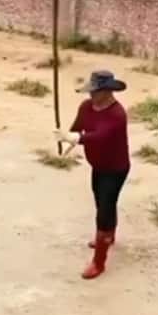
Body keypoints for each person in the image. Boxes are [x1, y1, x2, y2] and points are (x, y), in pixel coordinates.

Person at [54, 70, 130, 280]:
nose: (91, 95)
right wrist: (67, 138)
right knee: (102, 201)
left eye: (95, 92)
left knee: (104, 210)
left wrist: (75, 138)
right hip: (97, 165)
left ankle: (99, 262)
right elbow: (79, 125)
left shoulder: (117, 115)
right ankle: (109, 235)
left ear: (107, 92)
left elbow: (99, 136)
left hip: (115, 169)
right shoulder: (87, 106)